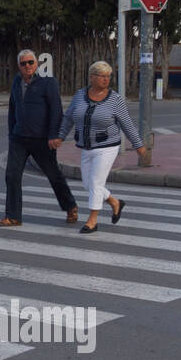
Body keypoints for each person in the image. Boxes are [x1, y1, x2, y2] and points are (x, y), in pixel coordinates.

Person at [52, 62, 146, 233]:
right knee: (89, 185)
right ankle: (114, 202)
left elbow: (126, 123)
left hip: (107, 146)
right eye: (102, 76)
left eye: (108, 76)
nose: (106, 79)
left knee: (96, 182)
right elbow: (68, 118)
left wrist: (138, 144)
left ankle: (92, 220)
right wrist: (60, 136)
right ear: (92, 77)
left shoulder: (115, 99)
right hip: (86, 147)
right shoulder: (80, 95)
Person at [0, 49, 78, 227]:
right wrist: (11, 133)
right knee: (12, 176)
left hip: (41, 139)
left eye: (30, 62)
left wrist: (54, 135)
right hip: (19, 138)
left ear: (36, 64)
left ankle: (70, 205)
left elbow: (56, 110)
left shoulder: (48, 83)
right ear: (19, 66)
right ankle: (13, 216)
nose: (27, 66)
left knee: (53, 175)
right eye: (23, 63)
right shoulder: (17, 81)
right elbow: (13, 108)